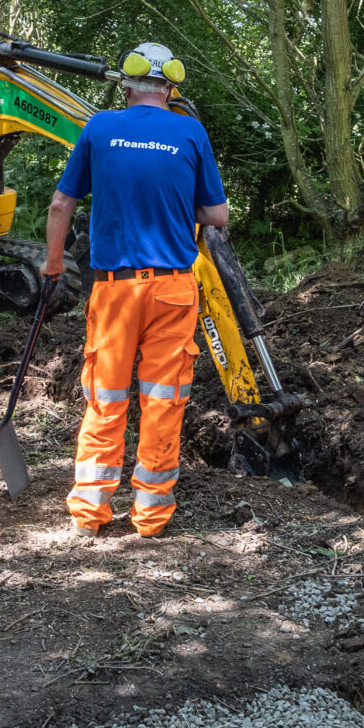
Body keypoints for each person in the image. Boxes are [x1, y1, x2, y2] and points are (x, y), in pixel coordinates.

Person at [43, 42, 227, 539]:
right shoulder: (190, 131)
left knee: (105, 398)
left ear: (125, 85)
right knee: (164, 400)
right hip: (173, 290)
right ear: (171, 89)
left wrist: (54, 262)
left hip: (115, 291)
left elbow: (62, 204)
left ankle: (90, 512)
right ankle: (150, 517)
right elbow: (217, 216)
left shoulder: (100, 127)